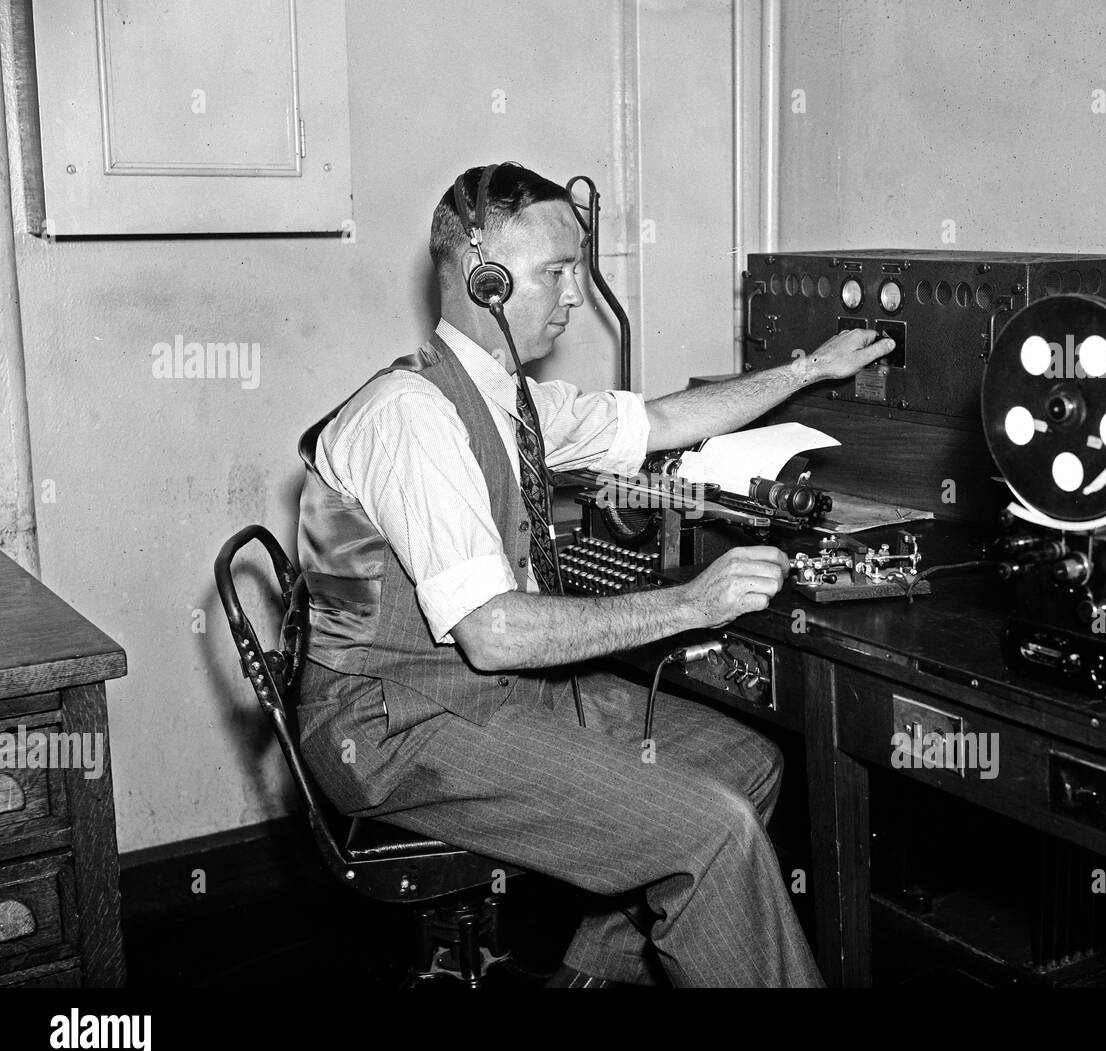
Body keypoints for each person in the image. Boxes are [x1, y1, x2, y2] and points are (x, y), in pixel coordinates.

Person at [294, 162, 893, 987]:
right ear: (486, 280)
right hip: (402, 727)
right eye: (555, 273)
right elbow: (495, 632)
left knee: (747, 765)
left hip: (479, 694)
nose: (574, 295)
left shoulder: (509, 402)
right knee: (711, 831)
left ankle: (592, 979)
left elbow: (663, 419)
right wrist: (691, 601)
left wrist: (805, 372)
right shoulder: (413, 417)